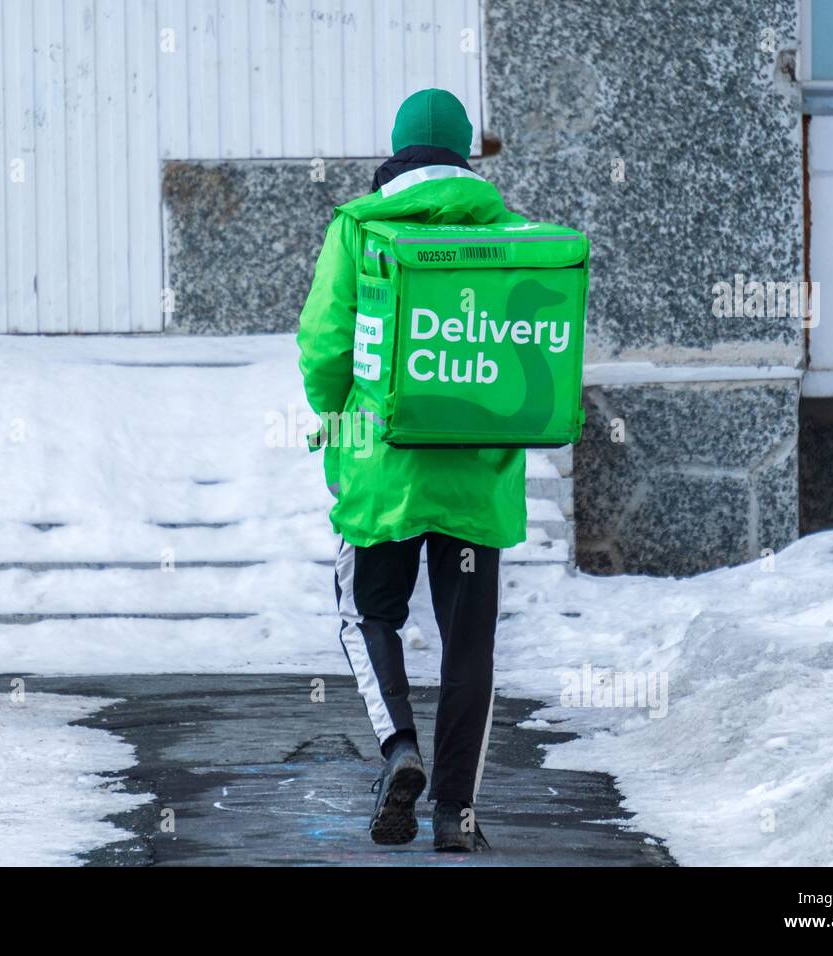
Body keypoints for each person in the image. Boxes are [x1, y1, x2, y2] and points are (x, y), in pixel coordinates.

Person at [296, 89, 528, 852]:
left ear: (396, 148)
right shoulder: (509, 233)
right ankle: (456, 814)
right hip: (474, 470)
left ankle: (400, 747)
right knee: (470, 645)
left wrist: (334, 419)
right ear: (465, 152)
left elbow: (325, 344)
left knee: (366, 612)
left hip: (383, 469)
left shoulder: (361, 230)